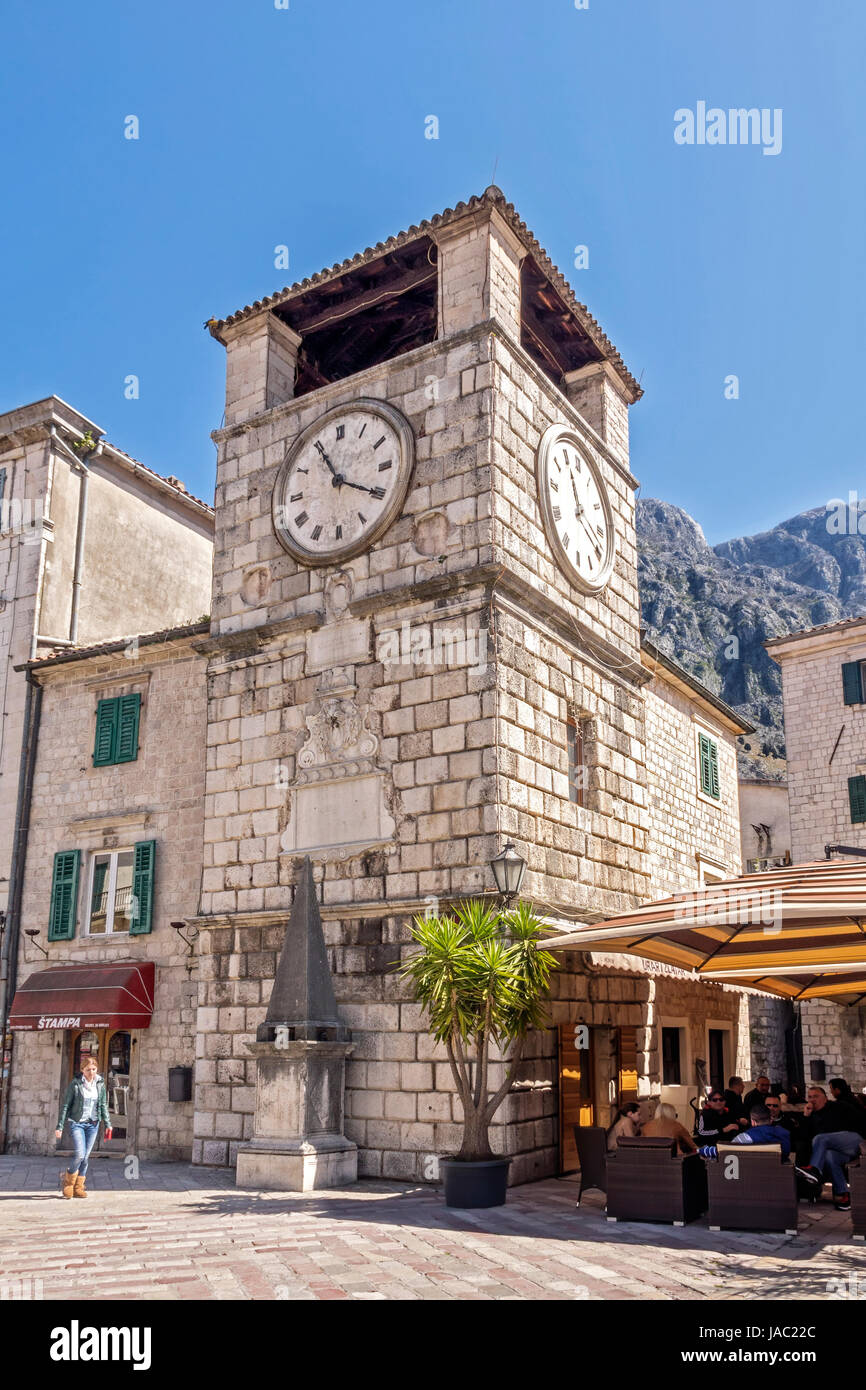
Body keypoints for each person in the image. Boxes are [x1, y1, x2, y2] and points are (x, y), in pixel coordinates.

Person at [798, 1084, 866, 1210]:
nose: (812, 1100)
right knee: (829, 1156)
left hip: (853, 1141)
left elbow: (861, 1118)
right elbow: (803, 1137)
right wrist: (806, 1117)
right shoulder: (811, 1115)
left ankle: (814, 1171)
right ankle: (843, 1194)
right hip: (839, 1153)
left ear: (825, 1098)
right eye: (810, 1097)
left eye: (816, 1096)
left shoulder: (839, 1106)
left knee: (820, 1138)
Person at [55, 1054, 112, 1199]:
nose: (91, 1072)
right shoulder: (75, 1084)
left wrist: (108, 1124)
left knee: (85, 1157)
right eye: (88, 1070)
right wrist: (60, 1126)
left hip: (93, 1124)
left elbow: (103, 1105)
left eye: (94, 1069)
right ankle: (68, 1182)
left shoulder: (100, 1083)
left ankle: (79, 1187)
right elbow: (66, 1105)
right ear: (82, 1070)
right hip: (77, 1123)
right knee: (80, 1154)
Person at [699, 1106, 791, 1161]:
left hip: (751, 1178)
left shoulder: (746, 1137)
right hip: (778, 1178)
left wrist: (702, 1150)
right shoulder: (784, 1134)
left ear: (753, 1121)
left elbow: (724, 1151)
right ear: (771, 1120)